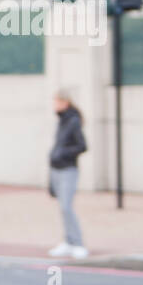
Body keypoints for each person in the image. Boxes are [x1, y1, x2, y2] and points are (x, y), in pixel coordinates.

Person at [48, 88, 88, 259]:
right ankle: (68, 241)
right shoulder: (62, 120)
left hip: (68, 170)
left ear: (65, 102)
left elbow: (82, 146)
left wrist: (62, 153)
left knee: (67, 207)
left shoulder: (73, 120)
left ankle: (78, 243)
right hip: (56, 169)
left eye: (57, 101)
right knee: (63, 208)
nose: (54, 104)